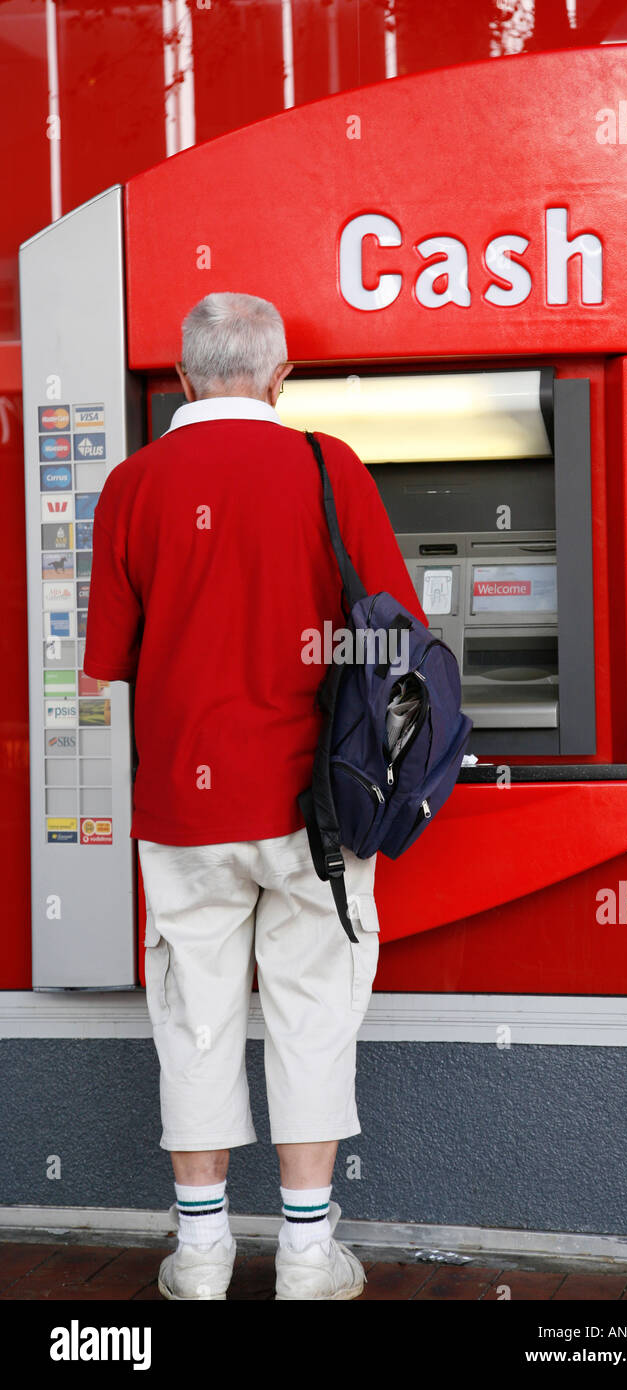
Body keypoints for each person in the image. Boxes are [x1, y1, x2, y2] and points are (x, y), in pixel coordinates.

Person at [83, 290, 428, 1301]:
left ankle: (199, 1259)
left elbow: (103, 669)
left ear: (183, 379)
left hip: (185, 811)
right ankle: (307, 1260)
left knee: (193, 1019)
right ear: (279, 376)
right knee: (311, 1014)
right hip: (319, 809)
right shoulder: (329, 466)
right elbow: (394, 637)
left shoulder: (133, 485)